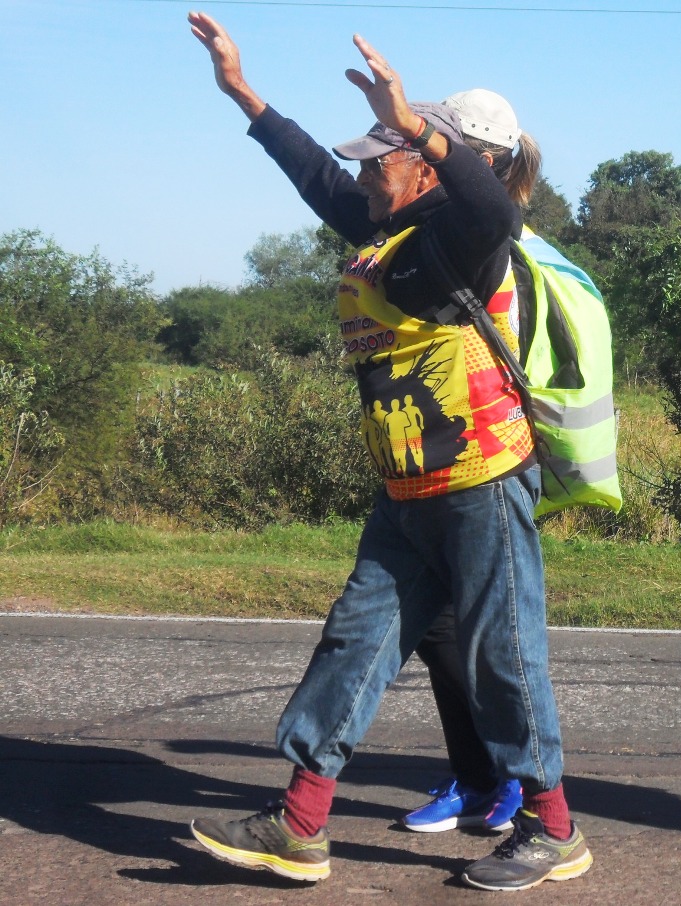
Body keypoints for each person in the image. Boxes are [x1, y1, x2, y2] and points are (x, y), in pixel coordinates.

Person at [185, 12, 591, 892]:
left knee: (502, 657)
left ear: (424, 166)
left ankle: (554, 829)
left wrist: (414, 124)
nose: (365, 171)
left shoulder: (459, 238)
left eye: (382, 157)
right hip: (407, 493)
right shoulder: (386, 233)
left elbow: (492, 205)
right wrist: (243, 93)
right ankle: (299, 825)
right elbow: (312, 175)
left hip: (482, 484)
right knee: (354, 644)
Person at [404, 88, 546, 836]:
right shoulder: (440, 223)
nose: (424, 146)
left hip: (487, 462)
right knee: (442, 628)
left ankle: (514, 784)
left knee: (492, 636)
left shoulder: (485, 230)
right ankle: (478, 773)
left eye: (439, 140)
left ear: (479, 159)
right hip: (435, 463)